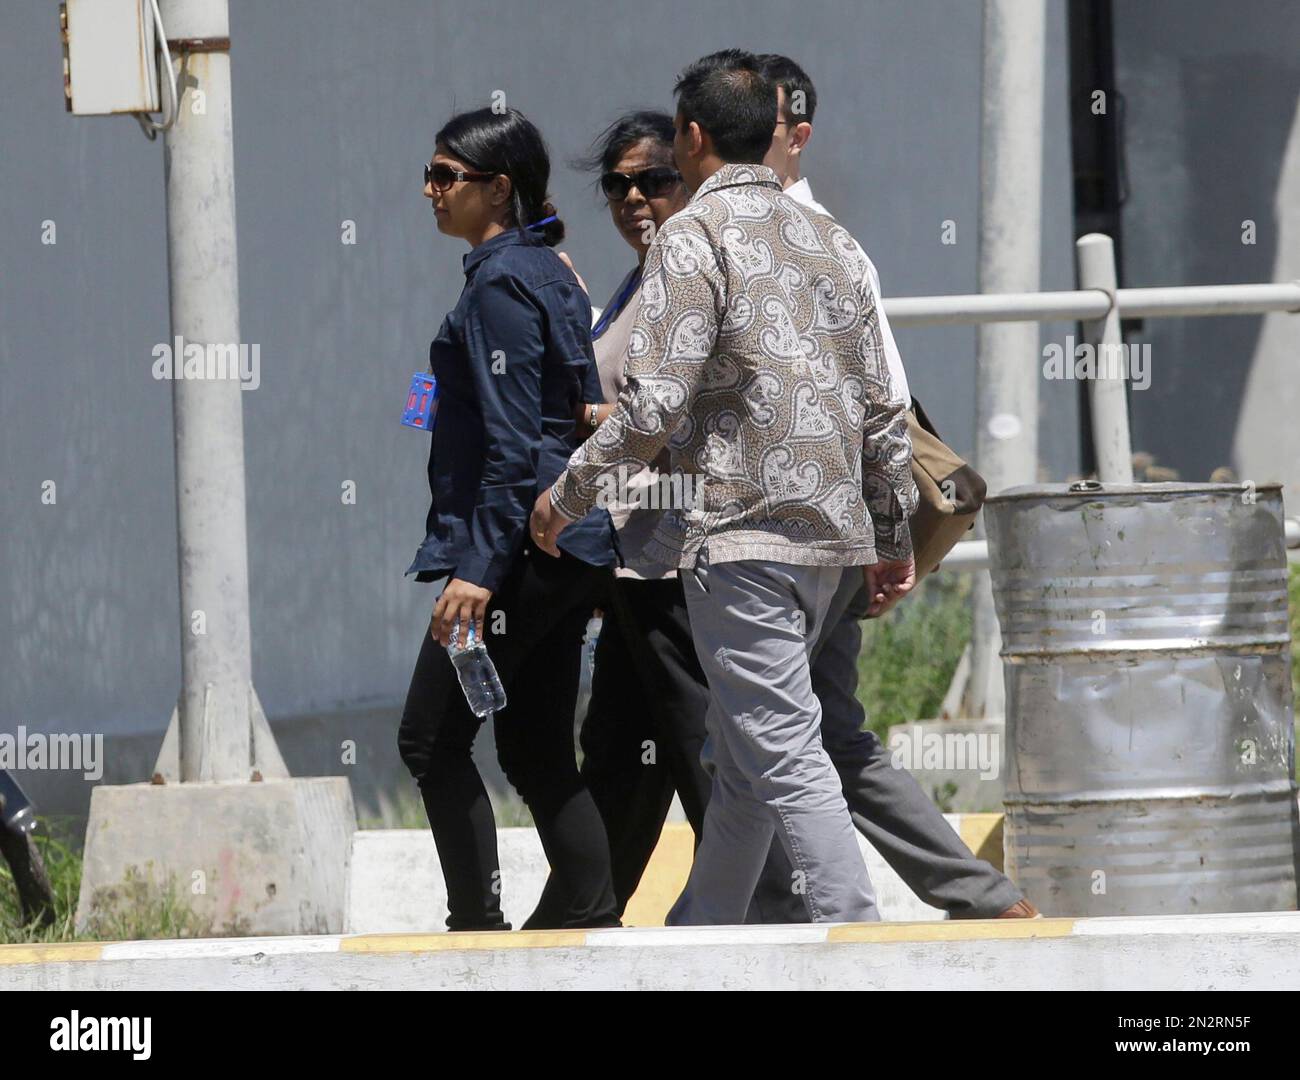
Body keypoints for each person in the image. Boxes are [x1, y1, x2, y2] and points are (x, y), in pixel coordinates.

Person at [532, 50, 917, 924]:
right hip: (828, 540)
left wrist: (566, 496)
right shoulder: (835, 241)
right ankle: (703, 945)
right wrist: (890, 540)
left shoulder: (692, 239)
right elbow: (883, 409)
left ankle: (855, 936)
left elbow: (654, 403)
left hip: (739, 540)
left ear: (694, 136)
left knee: (780, 747)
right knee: (740, 765)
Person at [747, 53, 1036, 921]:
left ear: (797, 138)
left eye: (752, 135)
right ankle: (979, 896)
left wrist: (886, 534)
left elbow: (880, 397)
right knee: (823, 732)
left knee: (759, 734)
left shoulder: (795, 239)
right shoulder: (792, 232)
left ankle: (774, 919)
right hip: (830, 526)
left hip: (797, 529)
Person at [397, 106, 620, 931]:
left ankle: (476, 931)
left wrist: (475, 574)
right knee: (531, 749)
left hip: (513, 555)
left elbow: (514, 446)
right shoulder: (547, 270)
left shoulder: (500, 283)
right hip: (559, 552)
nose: (429, 191)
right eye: (428, 174)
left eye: (445, 176)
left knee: (429, 741)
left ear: (498, 187)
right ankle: (588, 920)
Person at [527, 112, 712, 925]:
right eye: (617, 184)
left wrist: (594, 418)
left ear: (691, 177)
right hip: (632, 558)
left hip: (681, 562)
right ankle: (578, 922)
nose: (634, 197)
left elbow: (680, 411)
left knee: (697, 750)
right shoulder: (641, 279)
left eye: (653, 179)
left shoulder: (690, 270)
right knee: (621, 753)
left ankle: (773, 917)